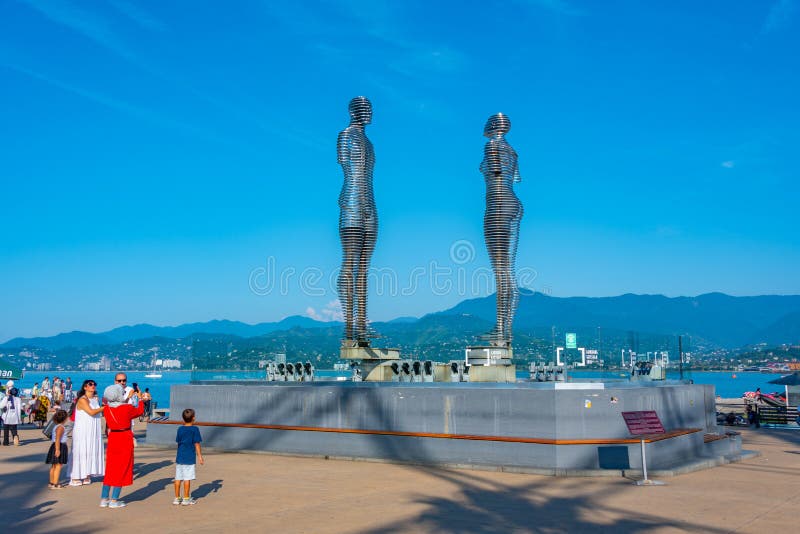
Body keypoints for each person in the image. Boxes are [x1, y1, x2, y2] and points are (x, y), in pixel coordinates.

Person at [100, 383, 144, 508]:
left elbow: (118, 405)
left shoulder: (107, 409)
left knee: (111, 468)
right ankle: (114, 499)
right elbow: (139, 411)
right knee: (122, 467)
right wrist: (139, 398)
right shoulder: (126, 408)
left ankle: (104, 498)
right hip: (124, 437)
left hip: (113, 437)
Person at [68, 380, 105, 486]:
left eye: (94, 384)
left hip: (93, 428)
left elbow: (96, 413)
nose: (93, 386)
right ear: (85, 387)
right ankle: (75, 476)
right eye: (90, 384)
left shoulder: (94, 399)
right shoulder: (82, 399)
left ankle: (86, 474)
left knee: (90, 449)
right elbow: (91, 412)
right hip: (83, 429)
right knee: (81, 450)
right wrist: (105, 407)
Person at [173, 408, 204, 505]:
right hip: (189, 458)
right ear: (193, 418)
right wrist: (200, 456)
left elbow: (178, 442)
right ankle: (186, 498)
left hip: (180, 456)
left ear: (183, 418)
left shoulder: (180, 429)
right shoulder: (195, 429)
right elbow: (197, 443)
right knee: (187, 479)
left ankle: (177, 498)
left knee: (178, 478)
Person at [46, 410, 70, 489]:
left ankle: (51, 482)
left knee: (54, 465)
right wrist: (58, 449)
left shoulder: (56, 426)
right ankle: (56, 483)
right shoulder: (60, 427)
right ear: (64, 419)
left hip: (55, 446)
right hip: (59, 446)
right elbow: (58, 439)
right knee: (58, 465)